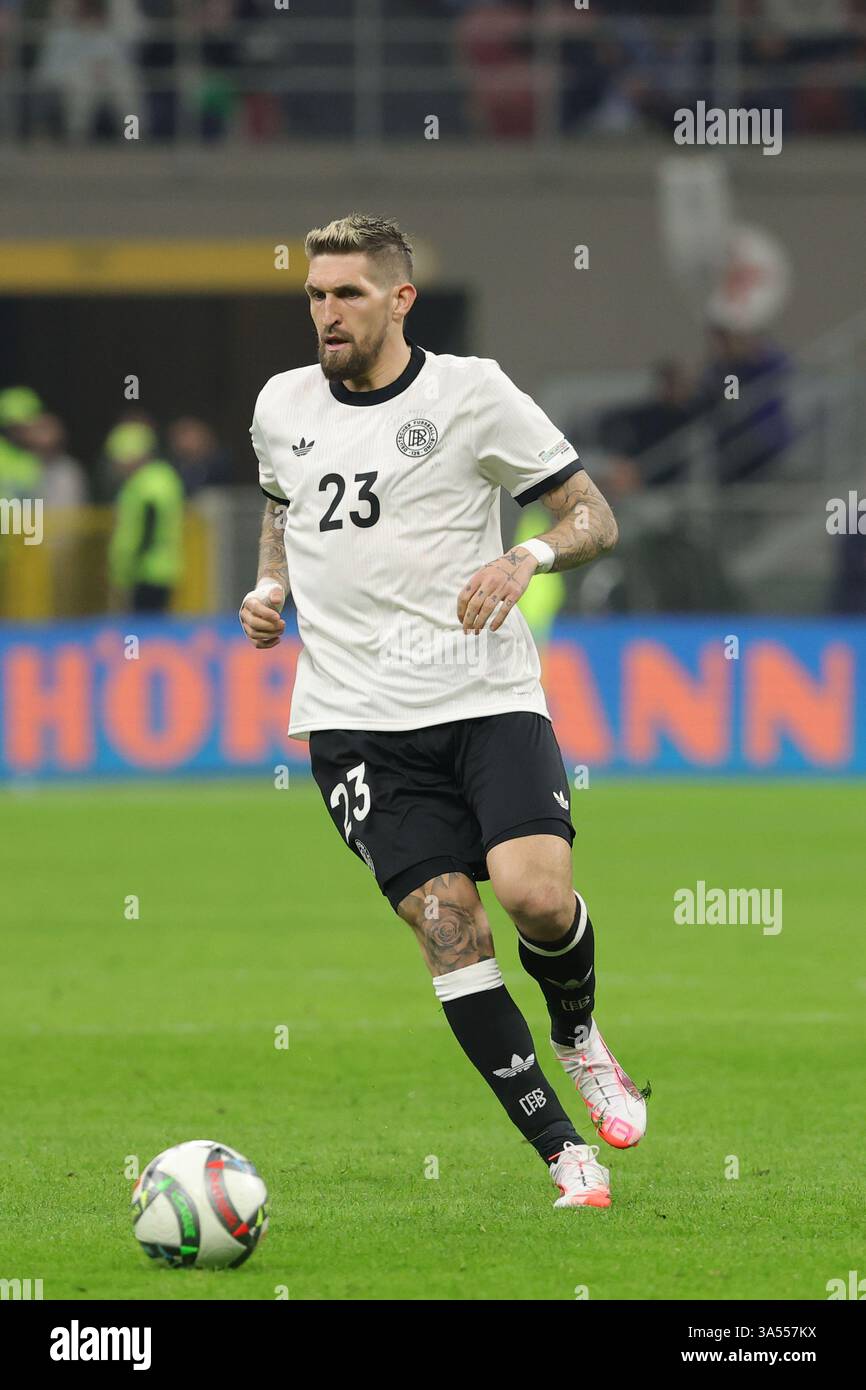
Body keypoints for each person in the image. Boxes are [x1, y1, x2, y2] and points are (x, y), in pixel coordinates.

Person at [239, 213, 647, 1210]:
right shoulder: (281, 402)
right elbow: (282, 504)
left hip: (483, 697)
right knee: (447, 928)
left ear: (398, 298)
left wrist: (527, 554)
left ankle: (578, 1031)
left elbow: (591, 512)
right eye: (314, 295)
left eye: (346, 294)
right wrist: (267, 587)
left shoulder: (472, 392)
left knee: (535, 898)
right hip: (356, 723)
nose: (326, 313)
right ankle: (561, 1151)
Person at [106, 421, 184, 613]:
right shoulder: (159, 477)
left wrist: (130, 564)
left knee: (144, 626)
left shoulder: (148, 482)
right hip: (156, 568)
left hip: (145, 571)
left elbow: (149, 525)